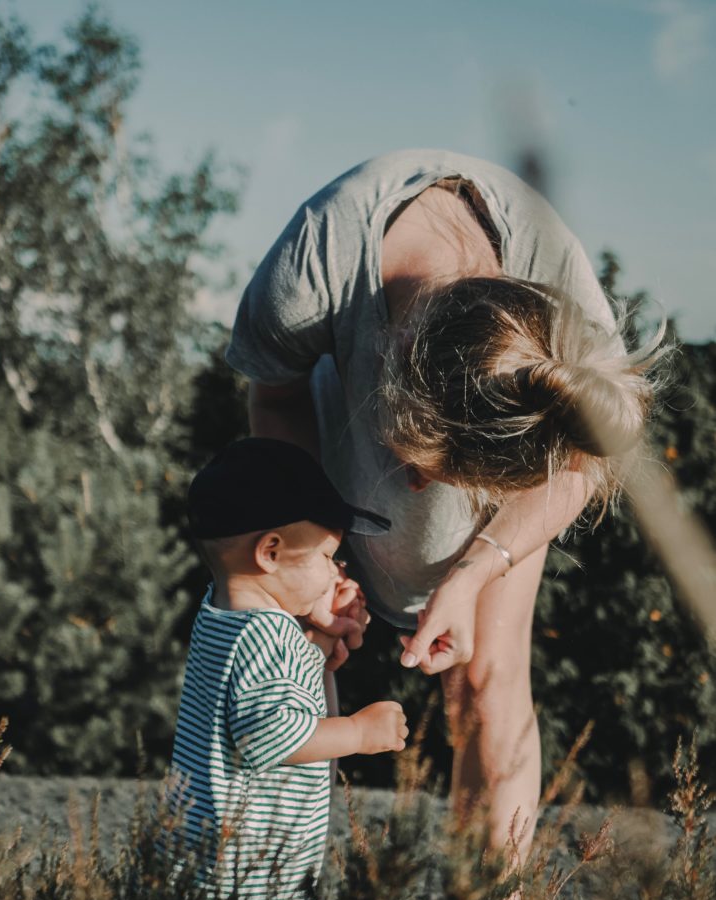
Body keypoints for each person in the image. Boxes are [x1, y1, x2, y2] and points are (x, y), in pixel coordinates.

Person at [226, 149, 661, 861]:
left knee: (486, 682)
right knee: (300, 660)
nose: (423, 489)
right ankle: (273, 899)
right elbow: (273, 398)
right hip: (327, 475)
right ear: (389, 354)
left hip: (510, 502)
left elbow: (582, 462)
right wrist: (314, 550)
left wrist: (472, 572)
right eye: (420, 467)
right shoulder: (313, 264)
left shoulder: (561, 296)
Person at [164, 437, 407, 900]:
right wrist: (360, 732)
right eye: (327, 557)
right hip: (245, 888)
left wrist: (320, 644)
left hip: (212, 876)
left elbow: (268, 706)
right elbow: (271, 737)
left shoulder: (222, 615)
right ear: (270, 551)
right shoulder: (267, 636)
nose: (336, 572)